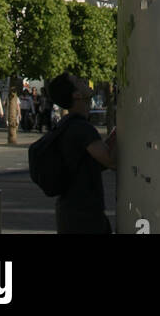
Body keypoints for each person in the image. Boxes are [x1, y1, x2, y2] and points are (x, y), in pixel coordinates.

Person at [46, 73, 116, 235]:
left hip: (72, 213)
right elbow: (111, 161)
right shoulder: (81, 128)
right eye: (79, 81)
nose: (84, 81)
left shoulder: (67, 125)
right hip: (84, 216)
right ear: (76, 95)